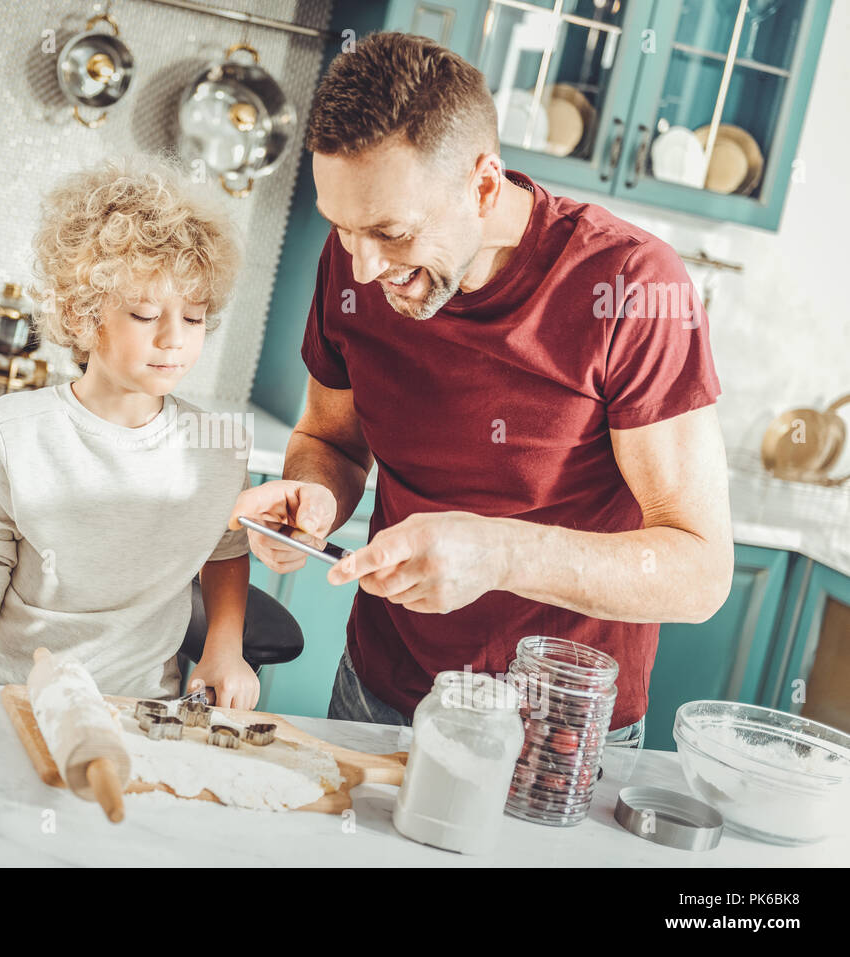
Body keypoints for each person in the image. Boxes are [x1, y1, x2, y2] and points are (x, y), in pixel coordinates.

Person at [228, 33, 733, 747]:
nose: (365, 267)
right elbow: (330, 441)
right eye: (343, 228)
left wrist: (498, 554)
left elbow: (699, 570)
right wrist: (313, 497)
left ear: (484, 186)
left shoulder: (633, 285)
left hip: (553, 732)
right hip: (378, 693)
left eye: (391, 233)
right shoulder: (355, 259)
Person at [0, 155, 260, 709]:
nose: (174, 339)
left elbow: (224, 550)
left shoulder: (218, 449)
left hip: (137, 709)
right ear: (81, 315)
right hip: (4, 695)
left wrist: (224, 649)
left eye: (192, 318)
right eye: (145, 315)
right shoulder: (15, 434)